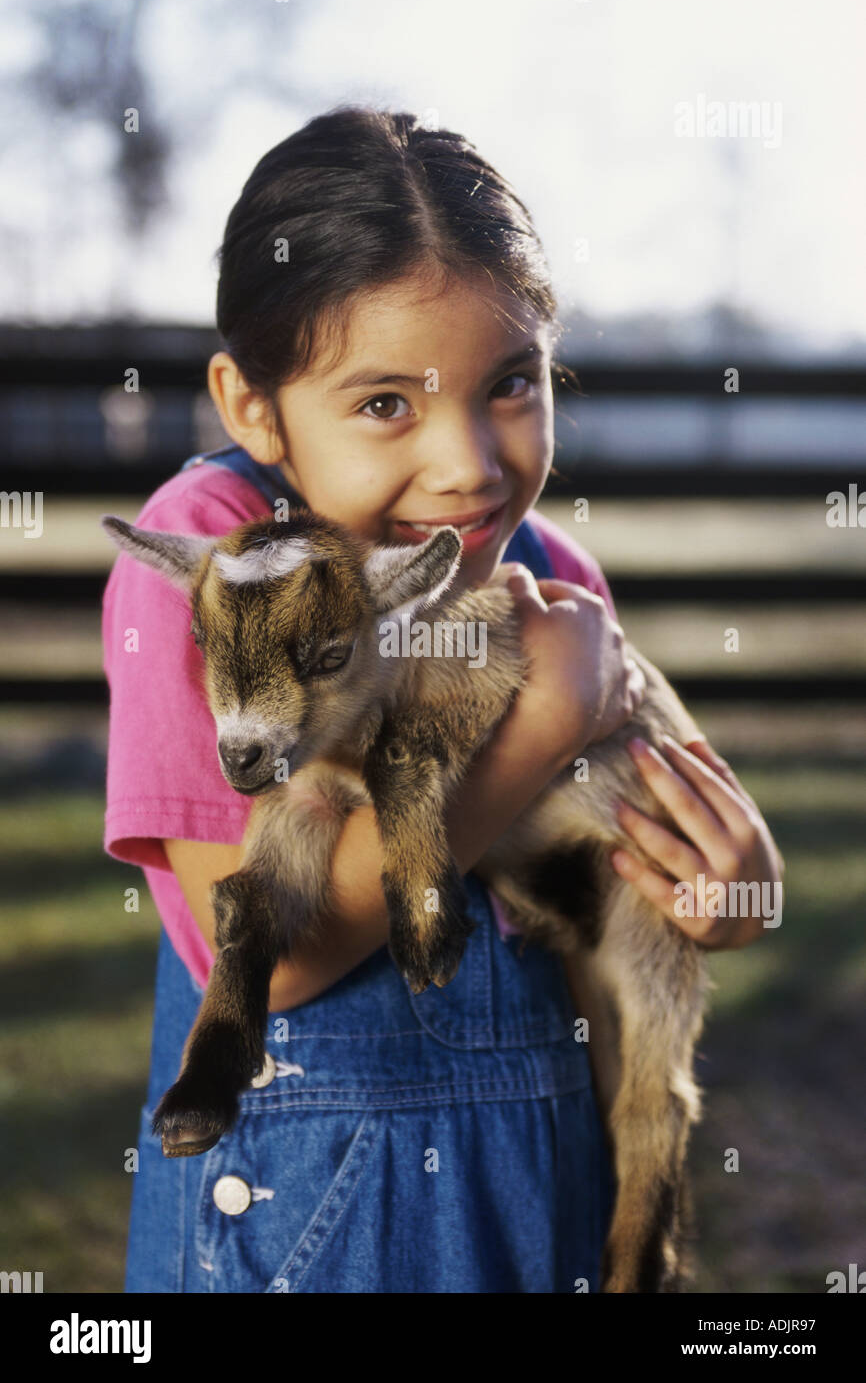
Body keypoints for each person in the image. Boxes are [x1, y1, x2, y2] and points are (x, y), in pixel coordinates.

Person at [102, 106, 782, 1294]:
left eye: (510, 383)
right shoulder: (209, 565)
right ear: (253, 405)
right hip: (307, 1231)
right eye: (384, 405)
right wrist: (539, 727)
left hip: (535, 1203)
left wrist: (729, 888)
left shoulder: (550, 578)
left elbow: (666, 831)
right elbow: (278, 958)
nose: (468, 463)